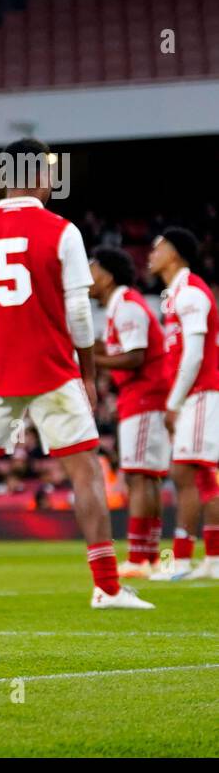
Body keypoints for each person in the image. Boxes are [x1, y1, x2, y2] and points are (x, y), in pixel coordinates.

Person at [0, 138, 152, 610]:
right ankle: (107, 587)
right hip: (54, 369)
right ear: (40, 177)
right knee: (85, 474)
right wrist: (90, 373)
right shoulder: (64, 231)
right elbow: (80, 312)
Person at [89, 245, 170, 578]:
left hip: (143, 397)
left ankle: (138, 558)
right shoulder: (121, 306)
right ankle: (148, 556)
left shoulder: (127, 306)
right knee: (146, 478)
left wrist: (92, 360)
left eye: (92, 270)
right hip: (147, 398)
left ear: (107, 275)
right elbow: (117, 349)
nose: (87, 278)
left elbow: (134, 357)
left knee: (138, 477)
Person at [146, 227, 219, 581]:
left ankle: (179, 560)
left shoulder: (190, 293)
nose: (150, 254)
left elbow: (193, 355)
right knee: (203, 475)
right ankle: (213, 560)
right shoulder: (175, 294)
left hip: (201, 392)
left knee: (185, 473)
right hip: (195, 393)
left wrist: (173, 403)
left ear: (175, 253)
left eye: (157, 248)